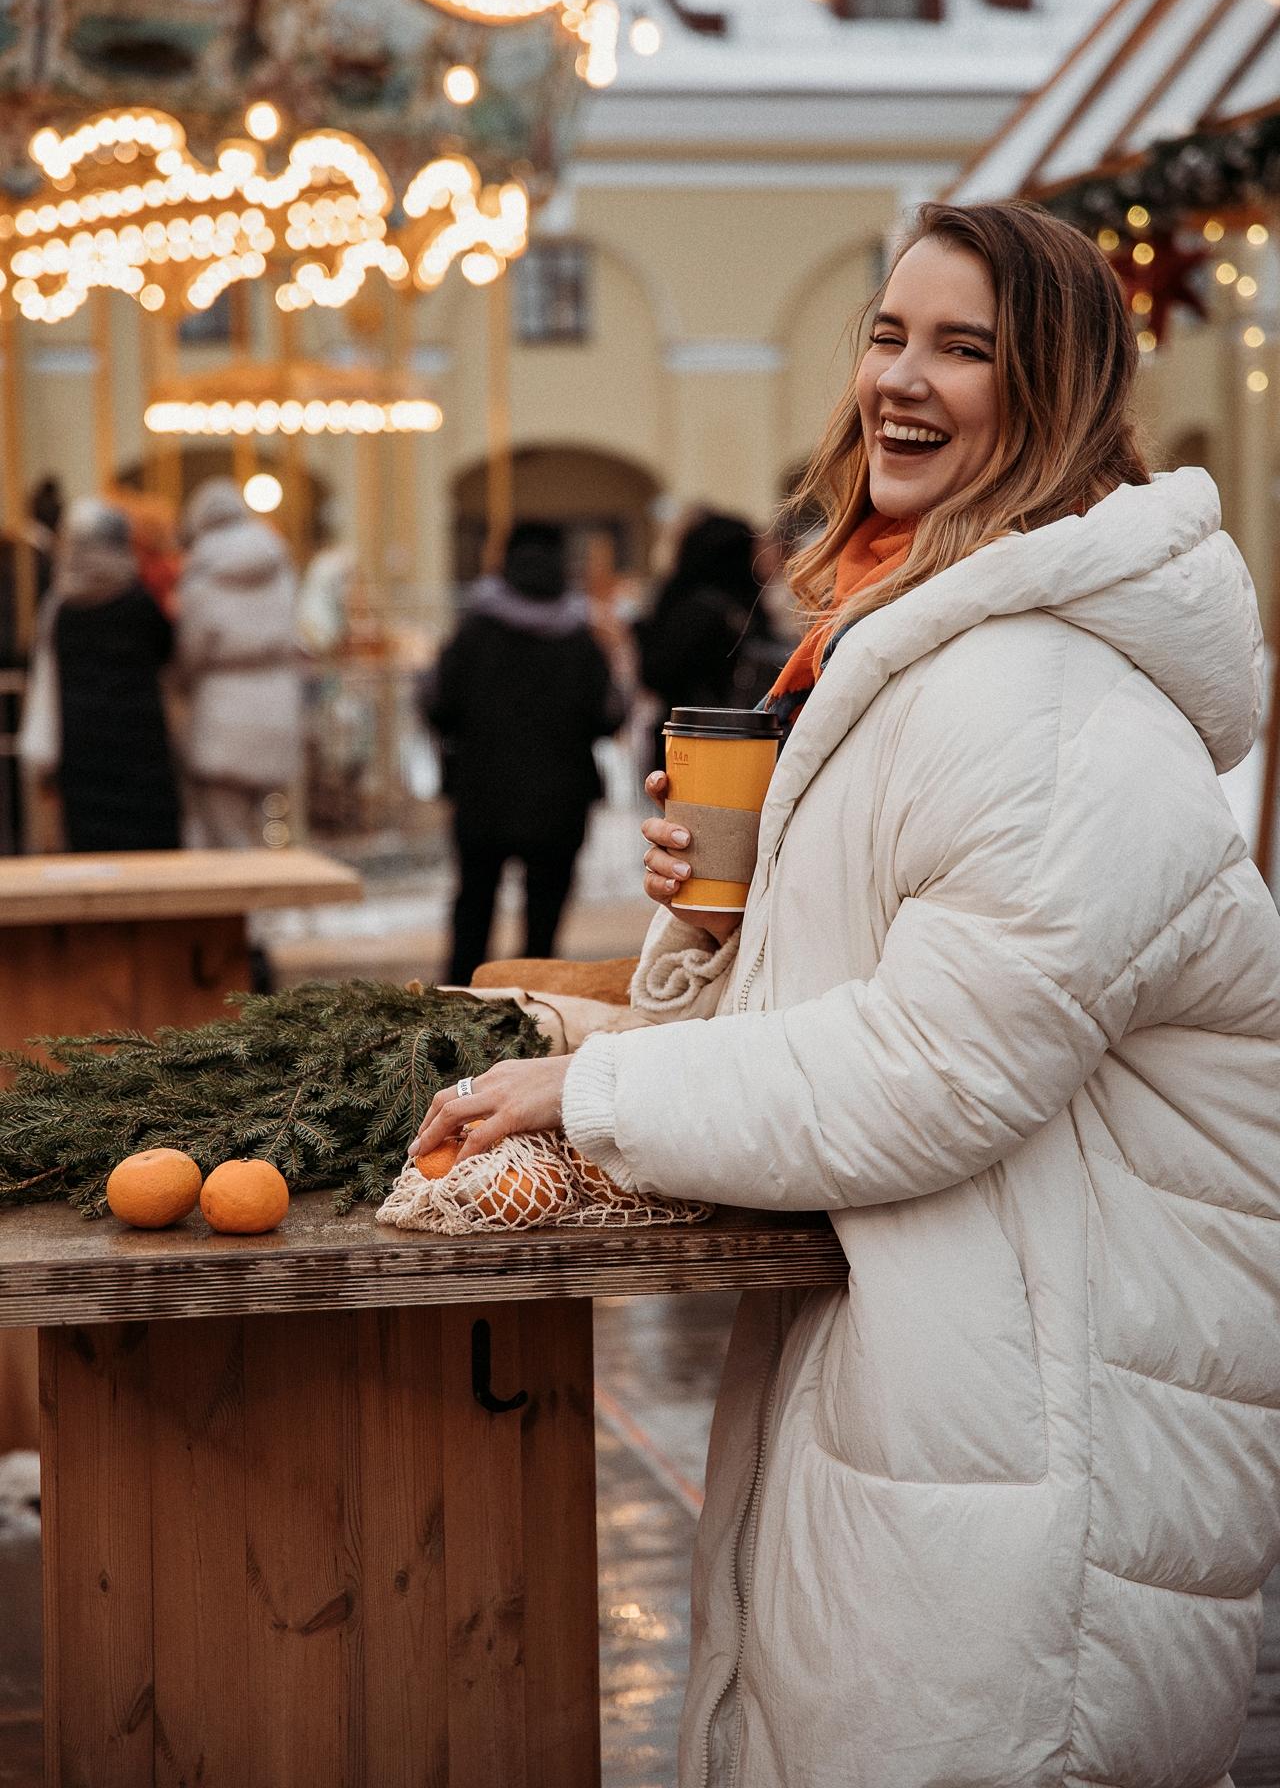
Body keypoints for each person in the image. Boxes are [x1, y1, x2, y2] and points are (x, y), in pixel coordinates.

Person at [412, 201, 1280, 1786]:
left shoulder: (1048, 696)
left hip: (1043, 1437)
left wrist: (593, 1092)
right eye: (890, 334)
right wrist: (718, 926)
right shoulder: (928, 647)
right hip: (962, 1393)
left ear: (1064, 400)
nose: (905, 377)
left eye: (967, 350)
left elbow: (930, 1073)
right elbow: (890, 997)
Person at [425, 522, 622, 985]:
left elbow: (438, 705)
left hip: (482, 790)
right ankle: (532, 1002)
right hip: (561, 796)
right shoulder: (579, 635)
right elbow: (609, 717)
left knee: (475, 901)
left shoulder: (475, 630)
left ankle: (462, 998)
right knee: (545, 913)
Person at [20, 497, 180, 852]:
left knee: (93, 850)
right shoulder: (138, 602)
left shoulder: (63, 609)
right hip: (140, 745)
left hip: (82, 745)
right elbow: (167, 651)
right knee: (148, 852)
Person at [176, 476, 301, 849]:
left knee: (224, 830)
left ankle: (244, 905)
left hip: (222, 709)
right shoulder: (277, 561)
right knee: (264, 825)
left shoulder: (201, 571)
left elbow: (192, 649)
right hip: (276, 705)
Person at [636, 507, 787, 770]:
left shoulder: (691, 604)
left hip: (691, 742)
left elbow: (655, 673)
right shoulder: (727, 609)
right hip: (731, 742)